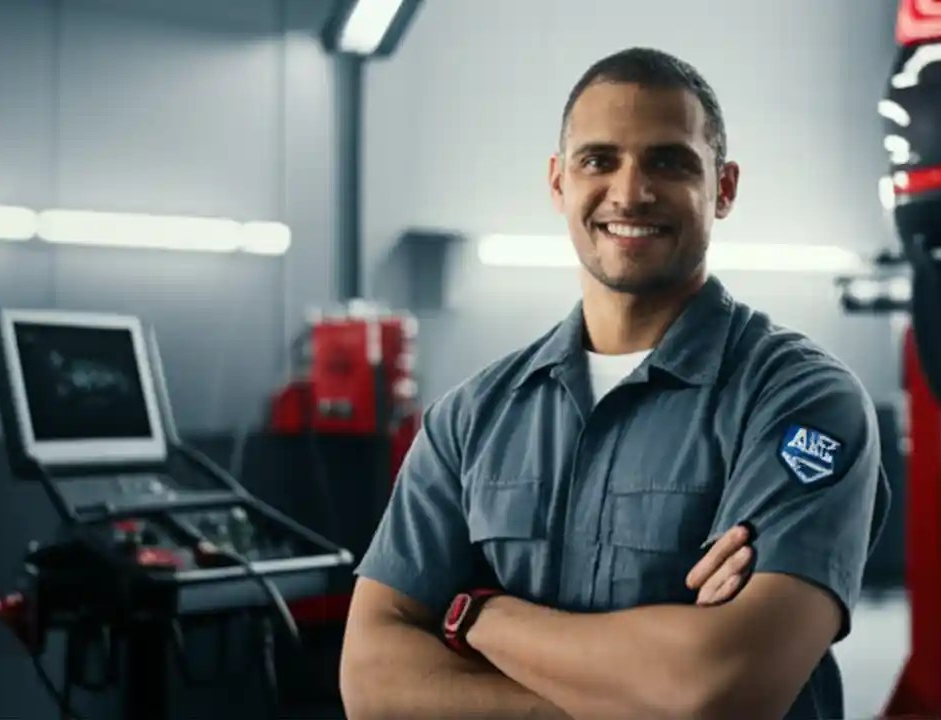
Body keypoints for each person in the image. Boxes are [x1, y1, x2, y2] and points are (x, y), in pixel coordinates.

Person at [340, 47, 888, 720]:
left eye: (669, 162)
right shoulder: (470, 420)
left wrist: (475, 615)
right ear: (558, 183)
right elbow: (371, 682)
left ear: (724, 188)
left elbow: (723, 689)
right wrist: (635, 696)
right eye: (599, 160)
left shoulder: (799, 402)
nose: (630, 193)